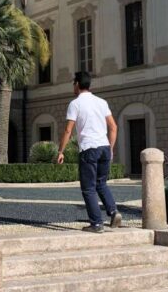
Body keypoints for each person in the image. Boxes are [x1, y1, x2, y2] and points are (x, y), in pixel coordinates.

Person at [57, 71, 122, 233]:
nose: (73, 86)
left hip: (89, 148)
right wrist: (111, 148)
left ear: (77, 84)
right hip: (104, 147)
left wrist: (60, 151)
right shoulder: (101, 102)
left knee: (88, 188)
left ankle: (97, 223)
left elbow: (68, 130)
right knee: (101, 183)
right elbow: (113, 127)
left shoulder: (75, 104)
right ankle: (114, 212)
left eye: (73, 83)